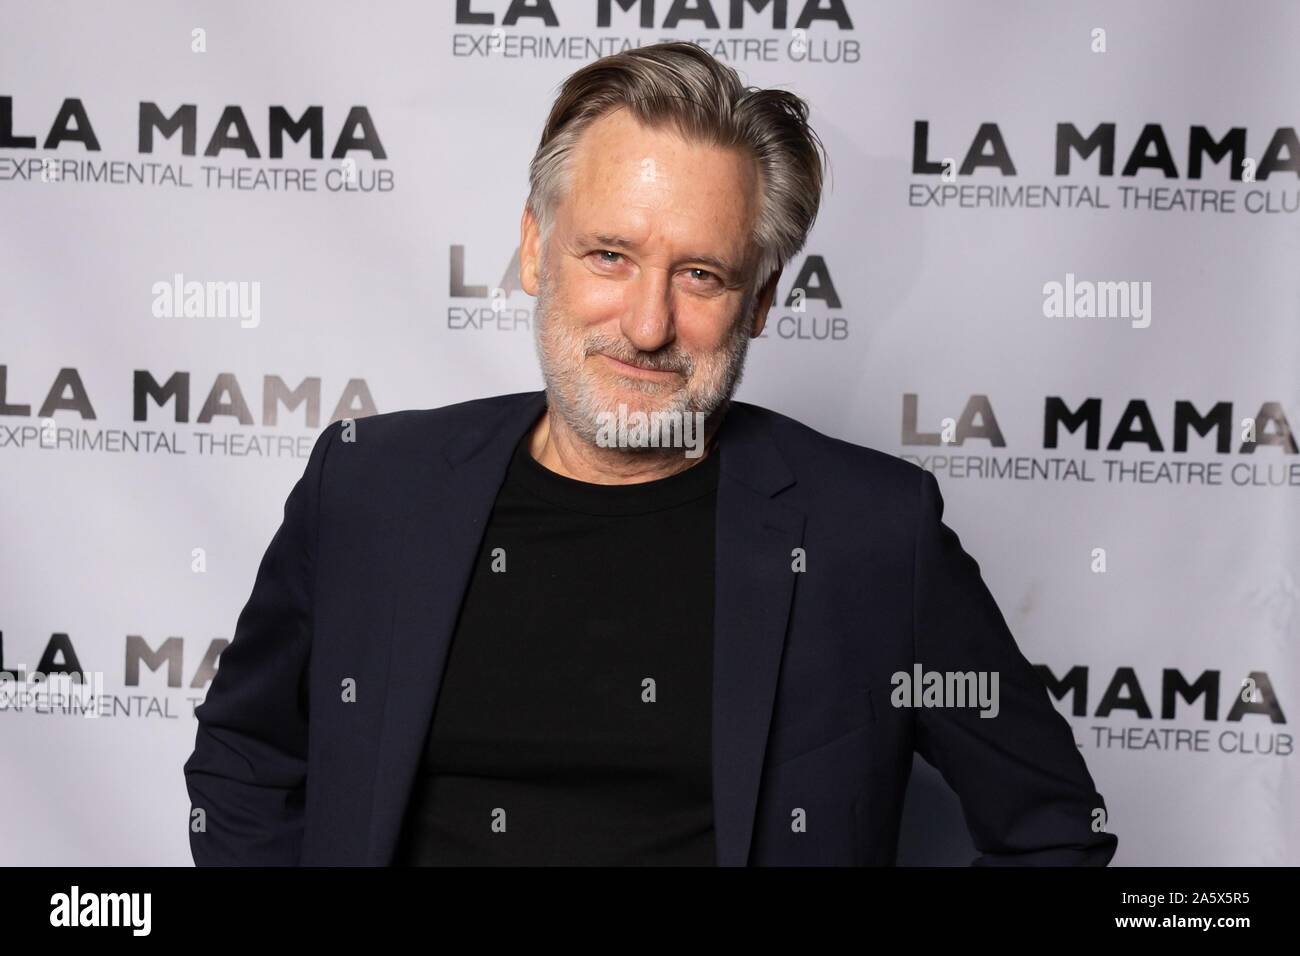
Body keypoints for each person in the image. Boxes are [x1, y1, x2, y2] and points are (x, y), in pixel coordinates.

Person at [183, 41, 1117, 866]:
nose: (646, 324)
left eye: (700, 275)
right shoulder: (370, 487)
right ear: (535, 248)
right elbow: (247, 756)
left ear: (758, 298)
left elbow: (1051, 826)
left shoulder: (871, 535)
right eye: (609, 256)